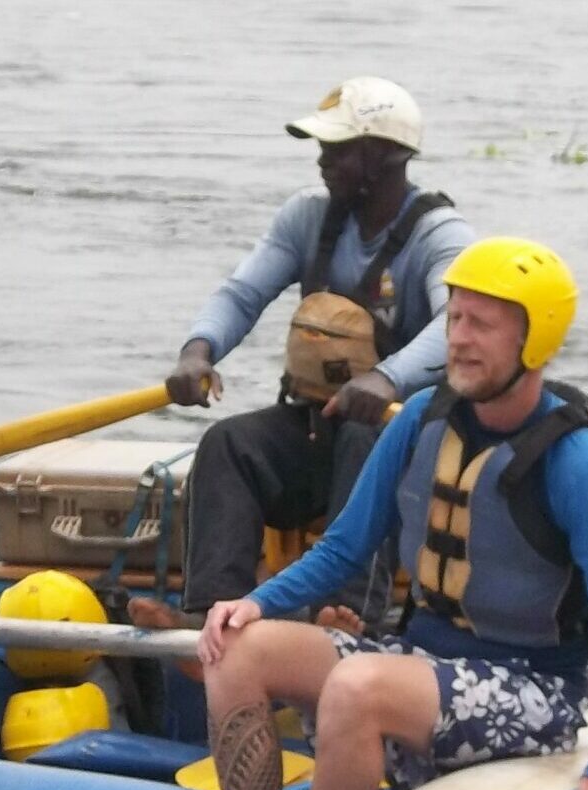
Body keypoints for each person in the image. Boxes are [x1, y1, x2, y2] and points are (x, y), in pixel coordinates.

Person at [196, 238, 588, 790]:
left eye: (482, 325)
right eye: (455, 318)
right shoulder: (419, 420)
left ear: (535, 342)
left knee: (359, 685)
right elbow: (343, 549)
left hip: (536, 691)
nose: (459, 338)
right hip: (419, 659)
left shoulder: (579, 462)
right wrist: (254, 603)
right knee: (237, 647)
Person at [160, 77, 477, 625]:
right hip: (320, 424)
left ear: (384, 155)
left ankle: (346, 614)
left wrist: (387, 380)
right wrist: (198, 350)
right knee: (229, 443)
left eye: (337, 148)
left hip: (410, 446)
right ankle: (213, 615)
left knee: (364, 437)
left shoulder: (441, 236)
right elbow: (243, 293)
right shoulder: (306, 217)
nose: (322, 161)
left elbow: (458, 325)